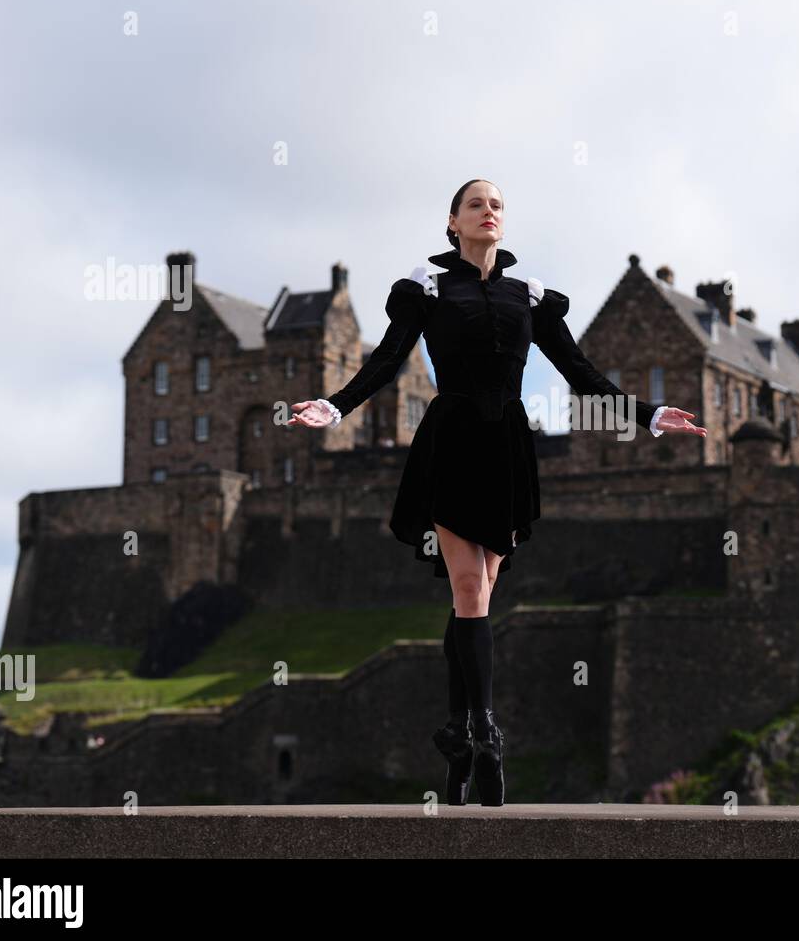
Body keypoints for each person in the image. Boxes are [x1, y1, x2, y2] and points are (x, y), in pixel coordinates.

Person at [290, 179, 706, 805]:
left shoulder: (530, 297)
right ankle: (486, 731)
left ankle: (457, 738)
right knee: (468, 585)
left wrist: (647, 414)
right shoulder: (426, 287)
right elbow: (387, 359)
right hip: (452, 439)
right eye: (476, 204)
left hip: (508, 447)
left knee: (478, 595)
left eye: (497, 205)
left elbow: (582, 374)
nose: (489, 212)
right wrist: (335, 405)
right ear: (452, 221)